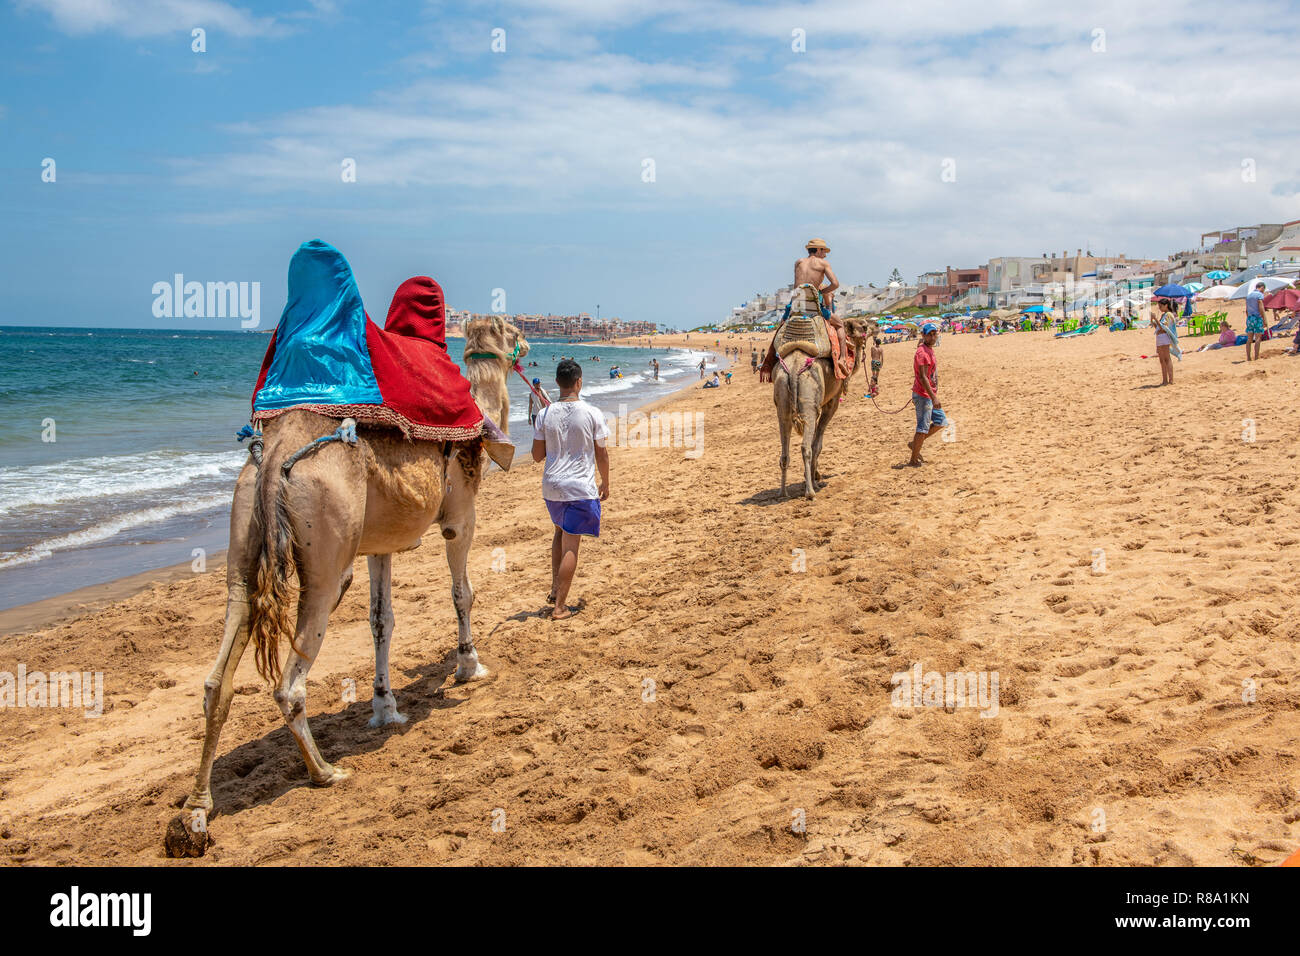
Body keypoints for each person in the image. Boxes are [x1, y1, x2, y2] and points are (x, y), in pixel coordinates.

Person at [531, 359, 609, 621]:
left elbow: (536, 455)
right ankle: (560, 607)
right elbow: (602, 453)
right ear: (579, 382)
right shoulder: (592, 413)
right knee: (571, 545)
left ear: (557, 383)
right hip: (578, 487)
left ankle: (555, 589)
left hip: (552, 487)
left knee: (559, 532)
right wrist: (605, 481)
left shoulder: (545, 413)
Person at [908, 323, 947, 467]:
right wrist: (933, 397)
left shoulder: (929, 350)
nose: (932, 337)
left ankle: (915, 444)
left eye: (934, 334)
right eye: (929, 334)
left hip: (928, 394)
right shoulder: (922, 352)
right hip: (923, 395)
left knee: (941, 421)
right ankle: (913, 460)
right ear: (923, 336)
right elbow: (923, 377)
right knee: (922, 427)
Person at [1152, 297, 1180, 385]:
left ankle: (1170, 379)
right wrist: (1152, 320)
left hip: (1164, 337)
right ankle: (1164, 380)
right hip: (1160, 337)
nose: (1159, 308)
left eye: (1161, 306)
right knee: (1161, 360)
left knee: (1166, 359)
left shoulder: (1168, 315)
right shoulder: (1164, 315)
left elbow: (1164, 328)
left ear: (1166, 305)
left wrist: (1155, 319)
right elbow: (1157, 327)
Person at [1245, 281, 1266, 361]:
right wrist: (1263, 319)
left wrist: (1249, 318)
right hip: (1257, 317)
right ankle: (1256, 357)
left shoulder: (1248, 296)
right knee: (1257, 338)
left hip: (1250, 318)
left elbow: (1246, 310)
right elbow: (1261, 307)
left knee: (1249, 339)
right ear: (1262, 288)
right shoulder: (1259, 295)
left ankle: (1248, 357)